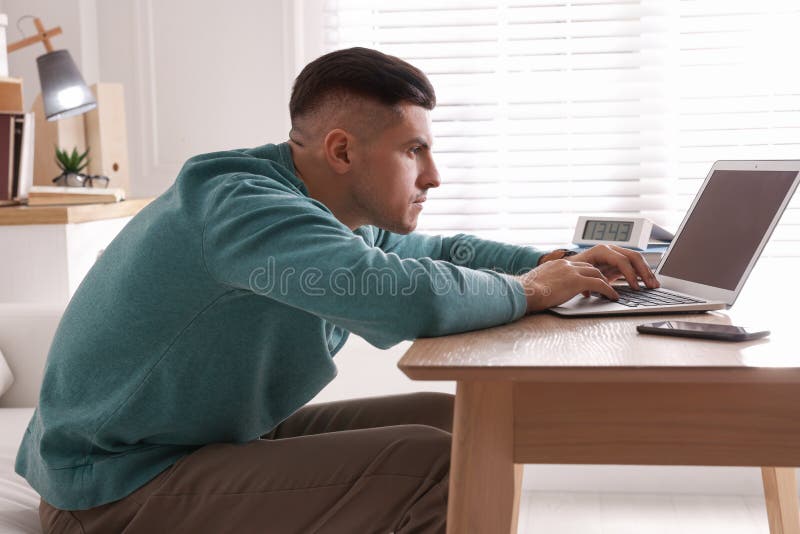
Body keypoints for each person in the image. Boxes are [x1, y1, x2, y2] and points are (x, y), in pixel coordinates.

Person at [17, 47, 657, 533]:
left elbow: (432, 252)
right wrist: (531, 289)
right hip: (111, 488)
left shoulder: (318, 210)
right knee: (439, 464)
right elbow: (400, 294)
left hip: (201, 446)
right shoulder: (243, 207)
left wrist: (556, 262)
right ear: (343, 150)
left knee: (460, 422)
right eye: (414, 151)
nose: (433, 175)